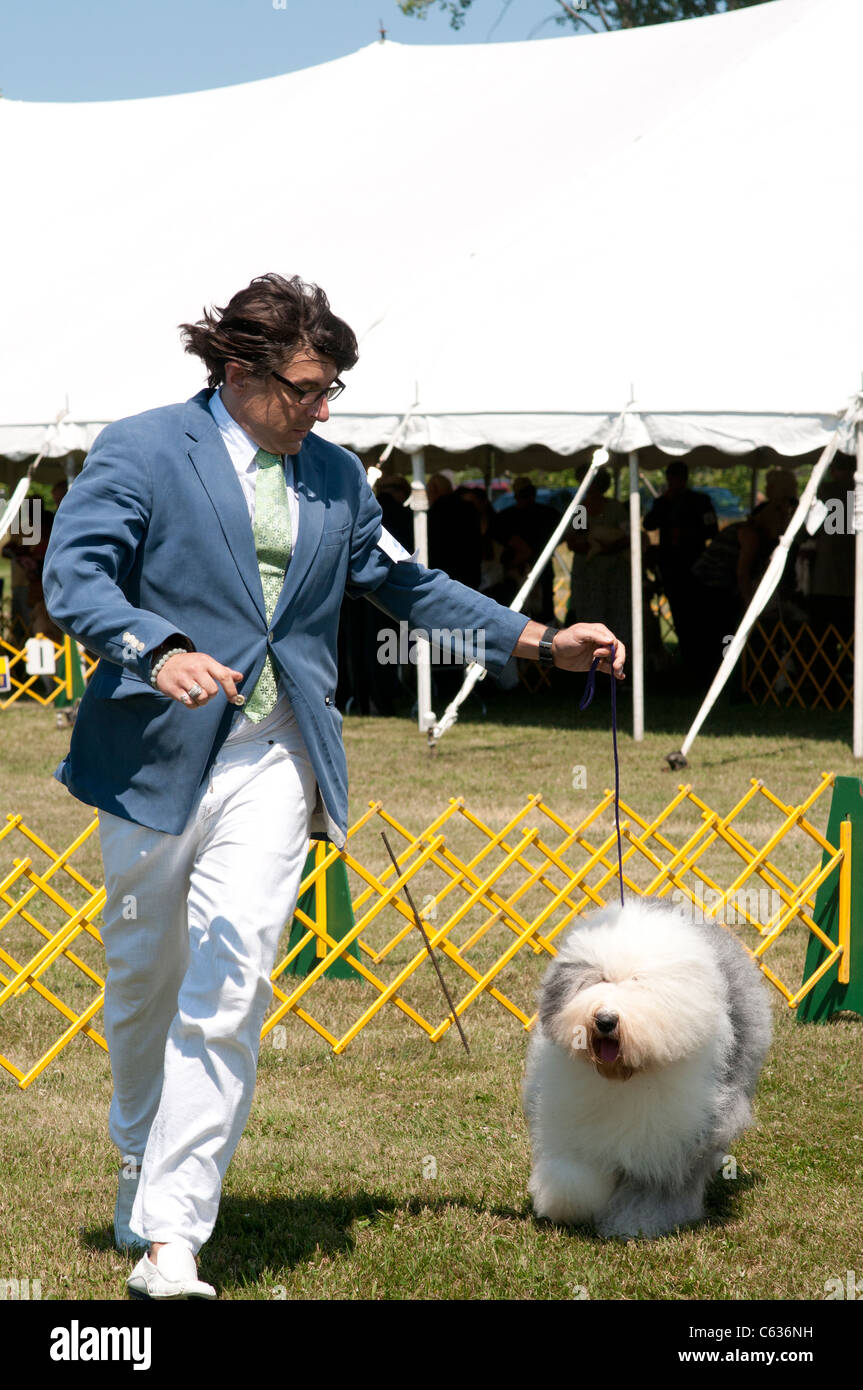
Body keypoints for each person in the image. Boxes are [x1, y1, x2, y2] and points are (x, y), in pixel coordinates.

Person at [42, 272, 626, 1301]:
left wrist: (538, 640)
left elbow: (408, 585)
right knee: (141, 984)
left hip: (275, 751)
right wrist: (155, 646)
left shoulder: (337, 478)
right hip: (155, 758)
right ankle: (139, 1159)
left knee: (231, 980)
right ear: (239, 373)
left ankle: (173, 1239)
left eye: (331, 388)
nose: (321, 408)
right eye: (307, 387)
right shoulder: (141, 448)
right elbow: (75, 576)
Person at [643, 462, 717, 679]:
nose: (674, 482)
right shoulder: (662, 502)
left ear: (684, 479)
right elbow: (648, 524)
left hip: (696, 568)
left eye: (677, 478)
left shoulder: (700, 501)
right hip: (672, 570)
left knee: (698, 617)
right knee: (679, 617)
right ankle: (687, 662)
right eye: (671, 478)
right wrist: (664, 502)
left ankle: (701, 664)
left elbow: (711, 528)